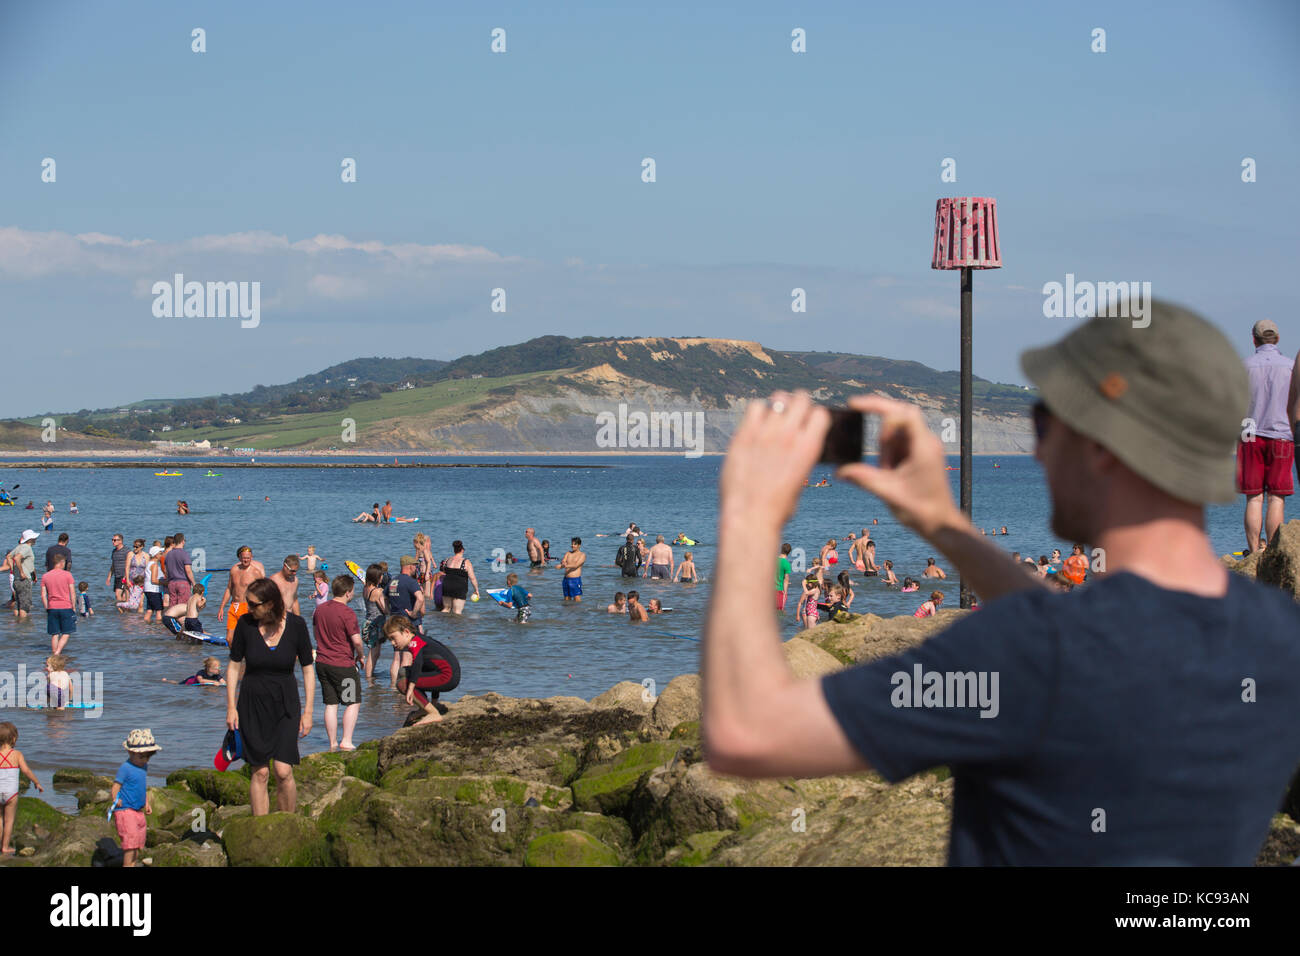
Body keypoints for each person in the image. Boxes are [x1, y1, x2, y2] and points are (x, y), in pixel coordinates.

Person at [701, 301, 1300, 866]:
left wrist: (749, 515)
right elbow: (1092, 654)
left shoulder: (1025, 652)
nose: (1037, 452)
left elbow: (746, 730)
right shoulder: (1276, 636)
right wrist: (944, 526)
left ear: (1102, 446)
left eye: (1046, 419)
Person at [226, 578, 315, 816]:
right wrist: (230, 708)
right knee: (261, 771)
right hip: (252, 704)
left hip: (286, 703)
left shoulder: (296, 625)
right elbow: (234, 666)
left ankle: (286, 824)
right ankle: (260, 828)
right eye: (248, 603)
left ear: (271, 603)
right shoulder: (245, 625)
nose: (249, 609)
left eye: (254, 605)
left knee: (283, 770)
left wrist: (308, 711)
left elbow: (308, 669)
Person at [1239, 318, 1295, 552]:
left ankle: (1254, 552)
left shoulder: (1244, 366)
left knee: (1254, 497)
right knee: (1276, 497)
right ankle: (1273, 551)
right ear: (1278, 339)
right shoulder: (1291, 366)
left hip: (1249, 434)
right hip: (1282, 434)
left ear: (1254, 339)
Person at [313, 575, 363, 751]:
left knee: (331, 703)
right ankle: (346, 740)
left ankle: (332, 743)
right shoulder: (347, 613)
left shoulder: (319, 609)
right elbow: (357, 641)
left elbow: (315, 632)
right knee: (352, 702)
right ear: (348, 593)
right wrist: (361, 655)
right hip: (342, 664)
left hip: (321, 662)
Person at [384, 615, 460, 725]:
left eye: (393, 638)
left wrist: (410, 687)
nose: (392, 643)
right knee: (403, 671)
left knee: (402, 683)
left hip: (448, 677)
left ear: (406, 632)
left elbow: (418, 664)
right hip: (449, 675)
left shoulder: (415, 642)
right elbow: (431, 669)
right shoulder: (419, 638)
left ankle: (433, 713)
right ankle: (428, 708)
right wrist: (434, 700)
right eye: (389, 640)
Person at [109, 730, 159, 868]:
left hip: (138, 810)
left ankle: (132, 864)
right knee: (130, 843)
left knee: (137, 842)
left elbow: (142, 786)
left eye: (148, 757)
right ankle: (127, 865)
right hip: (125, 810)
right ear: (130, 753)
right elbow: (115, 786)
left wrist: (147, 802)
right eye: (142, 757)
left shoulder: (144, 767)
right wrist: (115, 799)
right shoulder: (126, 768)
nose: (145, 760)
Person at [0, 723, 43, 856]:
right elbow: (26, 771)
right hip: (11, 794)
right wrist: (36, 782)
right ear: (13, 739)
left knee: (0, 819)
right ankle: (5, 847)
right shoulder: (17, 755)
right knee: (9, 820)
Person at [217, 546, 267, 641]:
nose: (246, 560)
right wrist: (222, 607)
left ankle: (249, 655)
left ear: (251, 557)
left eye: (248, 558)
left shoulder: (255, 572)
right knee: (229, 638)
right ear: (239, 558)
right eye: (244, 558)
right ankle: (236, 656)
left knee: (247, 638)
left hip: (247, 607)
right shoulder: (234, 570)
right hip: (234, 606)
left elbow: (263, 590)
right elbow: (229, 589)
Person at [361, 564, 392, 682]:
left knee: (375, 652)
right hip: (375, 625)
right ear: (377, 577)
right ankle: (369, 678)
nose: (382, 577)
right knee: (373, 653)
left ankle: (370, 676)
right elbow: (385, 610)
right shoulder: (378, 591)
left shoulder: (365, 588)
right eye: (381, 575)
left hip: (368, 622)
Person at [40, 551, 76, 654]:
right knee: (67, 632)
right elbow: (72, 593)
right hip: (65, 606)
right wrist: (73, 606)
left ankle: (54, 653)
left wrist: (47, 607)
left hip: (52, 607)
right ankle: (57, 652)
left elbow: (43, 595)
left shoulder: (45, 576)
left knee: (54, 634)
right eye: (64, 562)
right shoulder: (68, 575)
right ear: (61, 562)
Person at [438, 542, 478, 614]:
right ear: (462, 550)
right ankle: (457, 625)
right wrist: (476, 590)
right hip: (459, 588)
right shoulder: (466, 562)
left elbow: (442, 572)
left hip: (447, 586)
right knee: (457, 612)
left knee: (446, 609)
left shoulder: (447, 560)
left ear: (454, 550)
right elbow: (472, 578)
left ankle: (442, 624)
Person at [388, 556, 427, 627]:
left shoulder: (392, 581)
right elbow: (420, 599)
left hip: (394, 622)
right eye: (415, 565)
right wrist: (414, 614)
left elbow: (382, 597)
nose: (416, 568)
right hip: (409, 622)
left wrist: (387, 612)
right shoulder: (411, 582)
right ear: (410, 566)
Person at [164, 532, 195, 608]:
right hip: (183, 583)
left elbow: (165, 570)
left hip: (171, 583)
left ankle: (172, 620)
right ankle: (181, 620)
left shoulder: (168, 554)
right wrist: (193, 583)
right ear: (183, 541)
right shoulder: (184, 554)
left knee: (172, 607)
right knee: (182, 607)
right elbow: (188, 570)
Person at [559, 537, 586, 602]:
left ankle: (578, 612)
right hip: (566, 579)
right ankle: (568, 612)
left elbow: (576, 565)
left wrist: (565, 566)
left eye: (575, 544)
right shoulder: (568, 553)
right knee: (566, 599)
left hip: (575, 580)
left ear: (579, 545)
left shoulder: (582, 555)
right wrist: (563, 563)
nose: (572, 546)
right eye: (572, 544)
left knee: (577, 599)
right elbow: (563, 561)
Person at [775, 543, 794, 611]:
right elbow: (786, 580)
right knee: (780, 611)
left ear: (781, 549)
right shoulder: (786, 564)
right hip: (779, 589)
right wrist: (785, 593)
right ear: (789, 552)